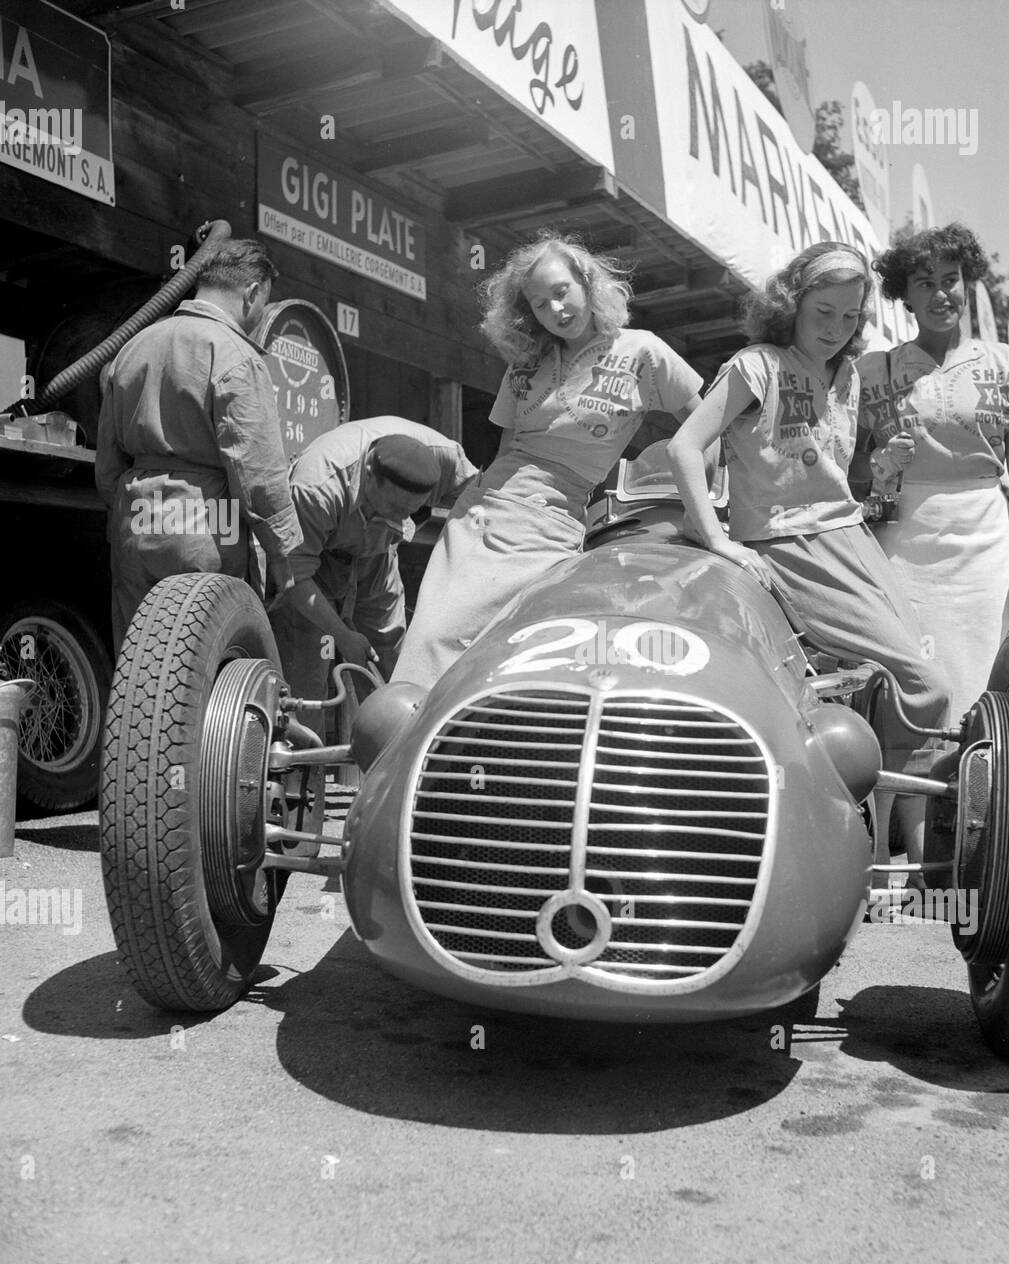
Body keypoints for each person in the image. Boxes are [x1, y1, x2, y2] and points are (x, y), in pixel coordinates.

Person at [666, 241, 950, 863]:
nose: (835, 329)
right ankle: (866, 846)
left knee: (908, 684)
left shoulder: (847, 375)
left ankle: (874, 847)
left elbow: (829, 479)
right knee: (925, 686)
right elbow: (684, 447)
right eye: (824, 312)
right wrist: (716, 538)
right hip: (787, 543)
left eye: (850, 317)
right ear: (791, 304)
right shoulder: (756, 365)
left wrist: (881, 471)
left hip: (850, 536)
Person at [392, 233, 705, 691]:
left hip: (553, 524)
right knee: (433, 641)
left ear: (587, 281)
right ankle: (401, 744)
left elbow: (703, 428)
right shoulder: (525, 361)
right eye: (539, 304)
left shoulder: (643, 352)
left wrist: (706, 520)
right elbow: (505, 450)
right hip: (485, 515)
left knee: (506, 658)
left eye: (561, 292)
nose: (555, 311)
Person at [855, 223, 1009, 728]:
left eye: (951, 278)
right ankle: (898, 799)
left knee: (977, 666)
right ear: (905, 297)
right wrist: (877, 466)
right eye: (925, 283)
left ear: (967, 282)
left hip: (983, 539)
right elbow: (844, 470)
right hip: (901, 536)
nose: (942, 293)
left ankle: (973, 792)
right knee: (902, 667)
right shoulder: (872, 371)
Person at [95, 239, 299, 649]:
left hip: (135, 512)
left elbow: (108, 463)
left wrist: (126, 509)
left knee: (139, 662)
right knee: (204, 666)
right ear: (252, 292)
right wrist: (282, 553)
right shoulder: (235, 355)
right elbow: (256, 470)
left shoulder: (134, 348)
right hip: (207, 517)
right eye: (263, 303)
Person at [270, 418, 476, 733]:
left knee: (391, 655)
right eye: (393, 507)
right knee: (309, 667)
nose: (400, 517)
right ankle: (306, 774)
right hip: (318, 563)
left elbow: (485, 498)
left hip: (378, 555)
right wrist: (342, 635)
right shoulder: (317, 486)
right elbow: (295, 577)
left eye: (410, 511)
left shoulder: (445, 458)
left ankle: (396, 760)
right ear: (369, 475)